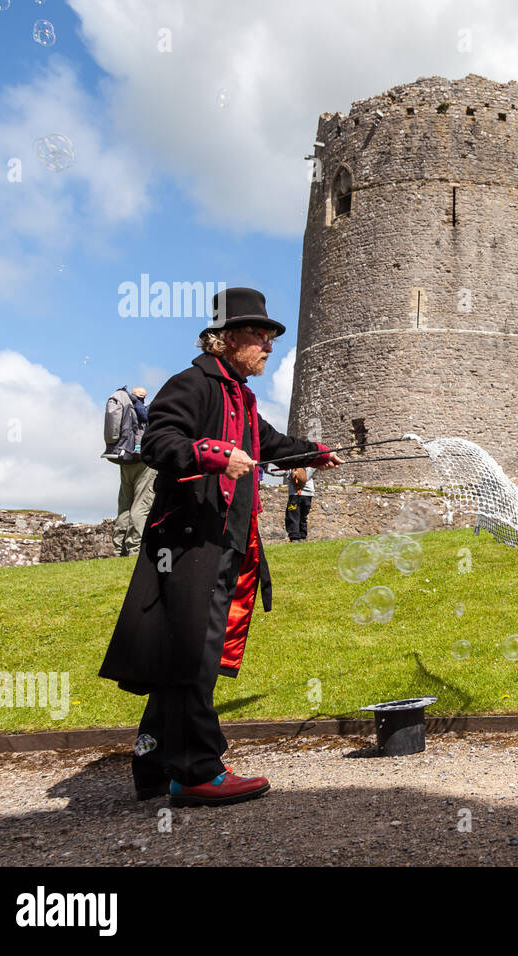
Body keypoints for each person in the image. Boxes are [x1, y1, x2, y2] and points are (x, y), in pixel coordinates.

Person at [99, 287, 341, 808]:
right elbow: (158, 442)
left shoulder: (243, 397)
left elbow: (269, 445)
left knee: (182, 655)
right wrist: (211, 453)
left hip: (226, 541)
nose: (270, 345)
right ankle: (198, 772)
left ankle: (155, 765)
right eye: (260, 335)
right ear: (226, 339)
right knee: (193, 655)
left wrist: (315, 453)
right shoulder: (192, 384)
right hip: (189, 544)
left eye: (272, 337)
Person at [105, 386, 158, 556]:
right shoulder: (140, 410)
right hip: (143, 461)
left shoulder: (123, 406)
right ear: (142, 396)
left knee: (125, 505)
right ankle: (134, 549)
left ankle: (118, 548)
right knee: (141, 504)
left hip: (124, 459)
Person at [280, 464, 317, 541]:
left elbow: (277, 472)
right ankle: (302, 536)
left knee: (292, 515)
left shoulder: (291, 468)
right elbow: (315, 467)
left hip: (294, 495)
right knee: (303, 516)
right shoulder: (310, 467)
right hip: (308, 495)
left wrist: (265, 467)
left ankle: (294, 537)